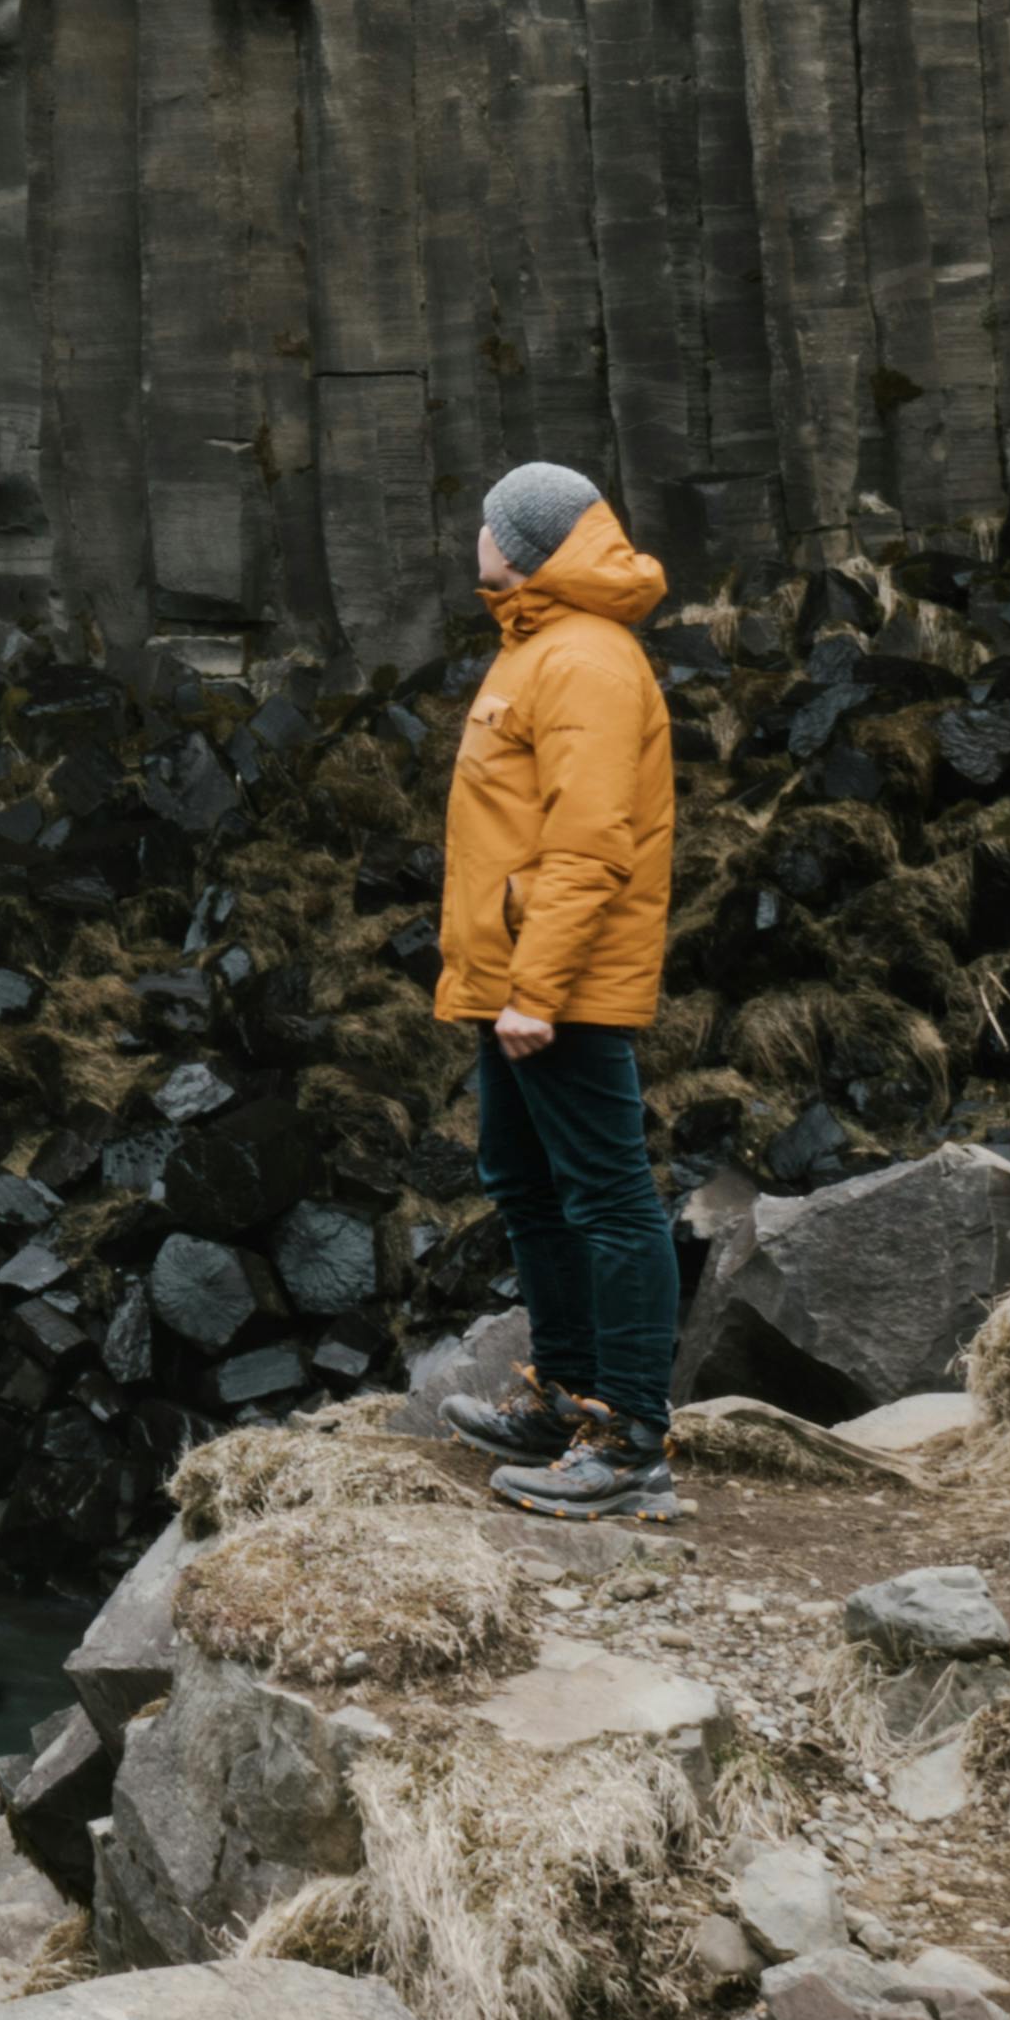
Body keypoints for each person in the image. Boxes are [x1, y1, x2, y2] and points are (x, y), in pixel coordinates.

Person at [428, 457, 685, 1524]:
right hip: (512, 981)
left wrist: (535, 989)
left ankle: (628, 1441)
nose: (472, 538)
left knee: (610, 1200)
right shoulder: (534, 644)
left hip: (556, 986)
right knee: (527, 1188)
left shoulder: (583, 659)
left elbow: (588, 846)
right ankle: (563, 1399)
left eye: (484, 522)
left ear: (520, 544)